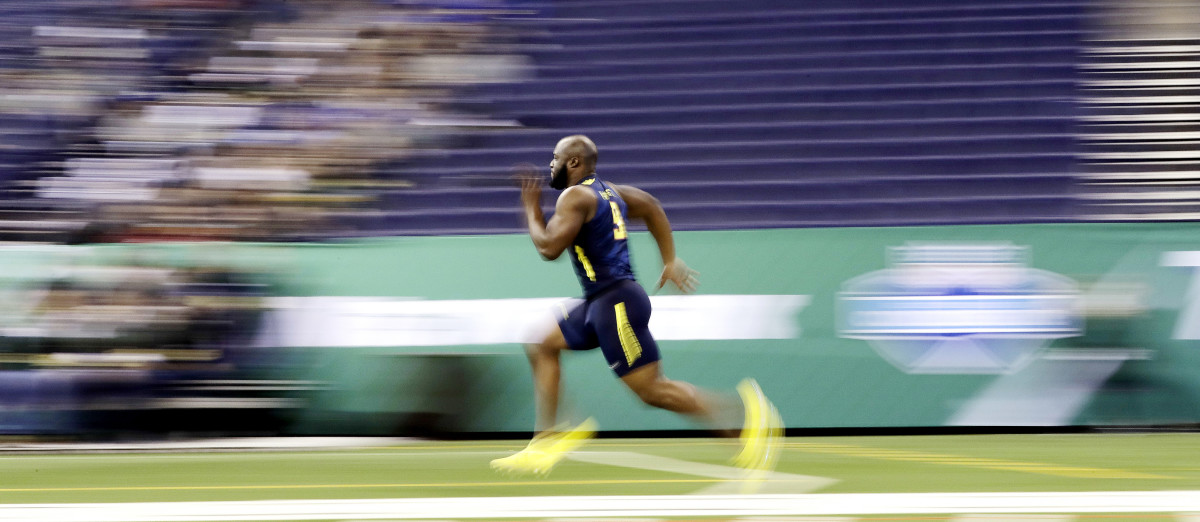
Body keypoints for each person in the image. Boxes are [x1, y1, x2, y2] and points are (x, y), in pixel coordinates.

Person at [490, 135, 782, 476]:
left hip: (615, 304)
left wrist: (530, 207)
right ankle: (546, 440)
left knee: (653, 390)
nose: (550, 164)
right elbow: (652, 206)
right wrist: (669, 259)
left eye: (555, 157)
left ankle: (745, 420)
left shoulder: (574, 196)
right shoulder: (611, 192)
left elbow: (548, 248)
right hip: (602, 300)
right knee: (541, 343)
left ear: (574, 162)